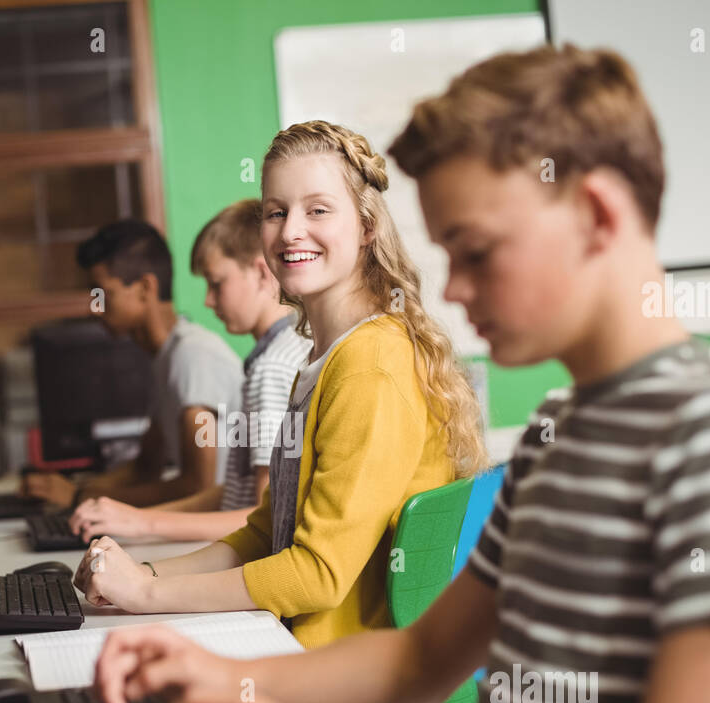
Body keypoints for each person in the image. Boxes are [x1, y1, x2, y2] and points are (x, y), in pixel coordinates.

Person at [90, 45, 710, 703]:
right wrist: (217, 679)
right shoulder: (562, 432)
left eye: (475, 252)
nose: (457, 289)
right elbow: (422, 656)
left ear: (598, 215)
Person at [73, 121, 485, 668]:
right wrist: (142, 574)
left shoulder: (371, 367)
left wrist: (145, 596)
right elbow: (267, 532)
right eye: (276, 211)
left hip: (356, 690)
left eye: (318, 210)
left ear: (365, 226)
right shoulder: (320, 359)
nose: (291, 231)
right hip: (305, 654)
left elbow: (316, 575)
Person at [69, 199, 311, 543]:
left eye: (216, 284)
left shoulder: (271, 368)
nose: (207, 302)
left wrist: (141, 524)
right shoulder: (283, 352)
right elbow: (239, 492)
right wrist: (129, 516)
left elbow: (265, 520)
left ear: (261, 272)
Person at [24, 220, 243, 510]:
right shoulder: (166, 357)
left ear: (145, 288)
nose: (95, 307)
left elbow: (198, 486)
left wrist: (82, 499)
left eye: (103, 294)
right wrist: (75, 489)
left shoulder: (193, 355)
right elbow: (146, 466)